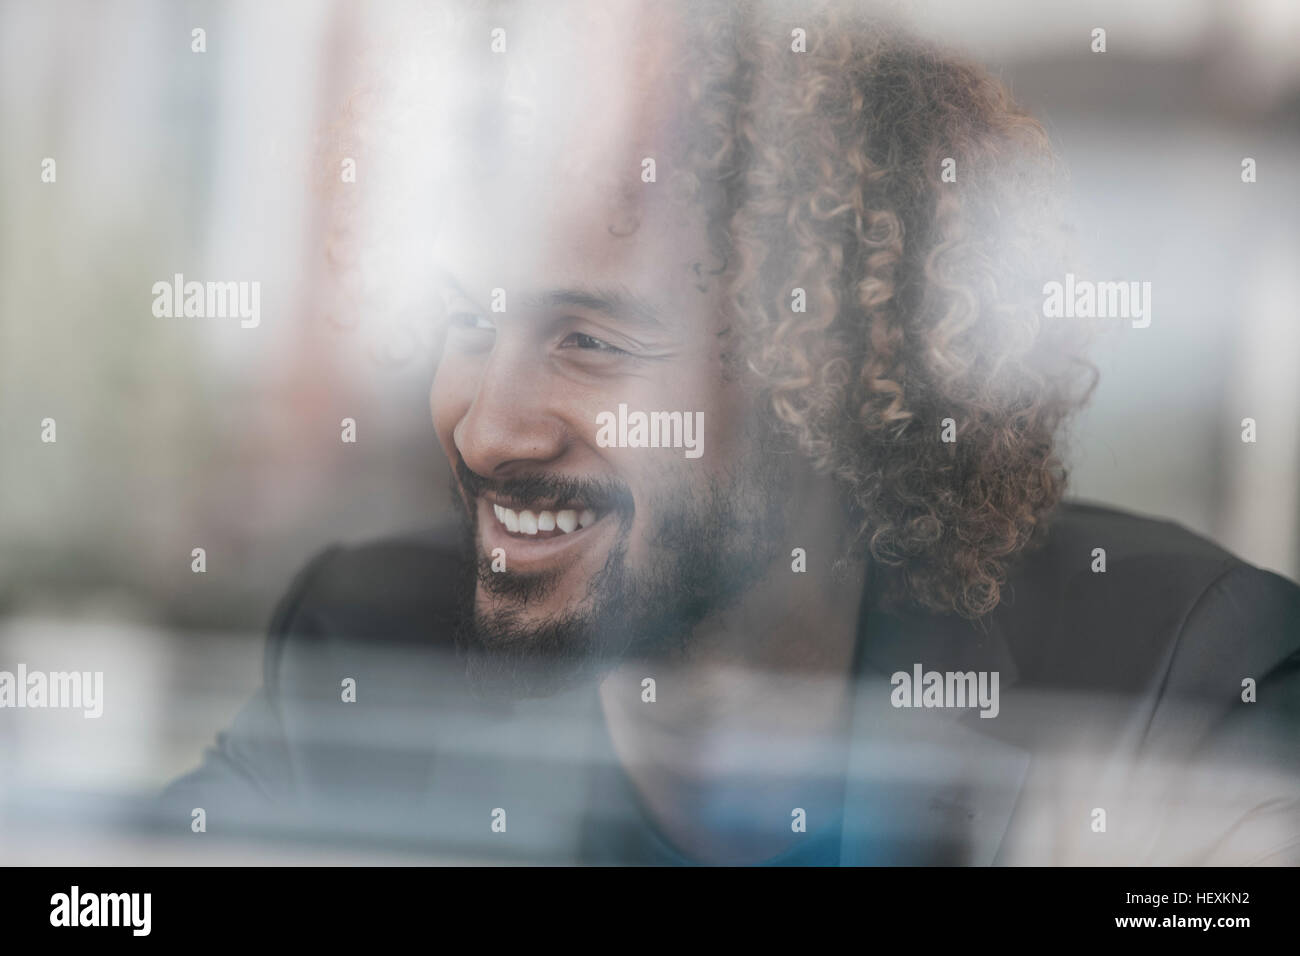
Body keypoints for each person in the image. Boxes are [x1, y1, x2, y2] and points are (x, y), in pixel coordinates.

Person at [160, 0, 1300, 865]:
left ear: (816, 379)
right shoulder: (364, 640)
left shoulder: (1180, 674)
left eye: (594, 342)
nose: (489, 426)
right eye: (467, 319)